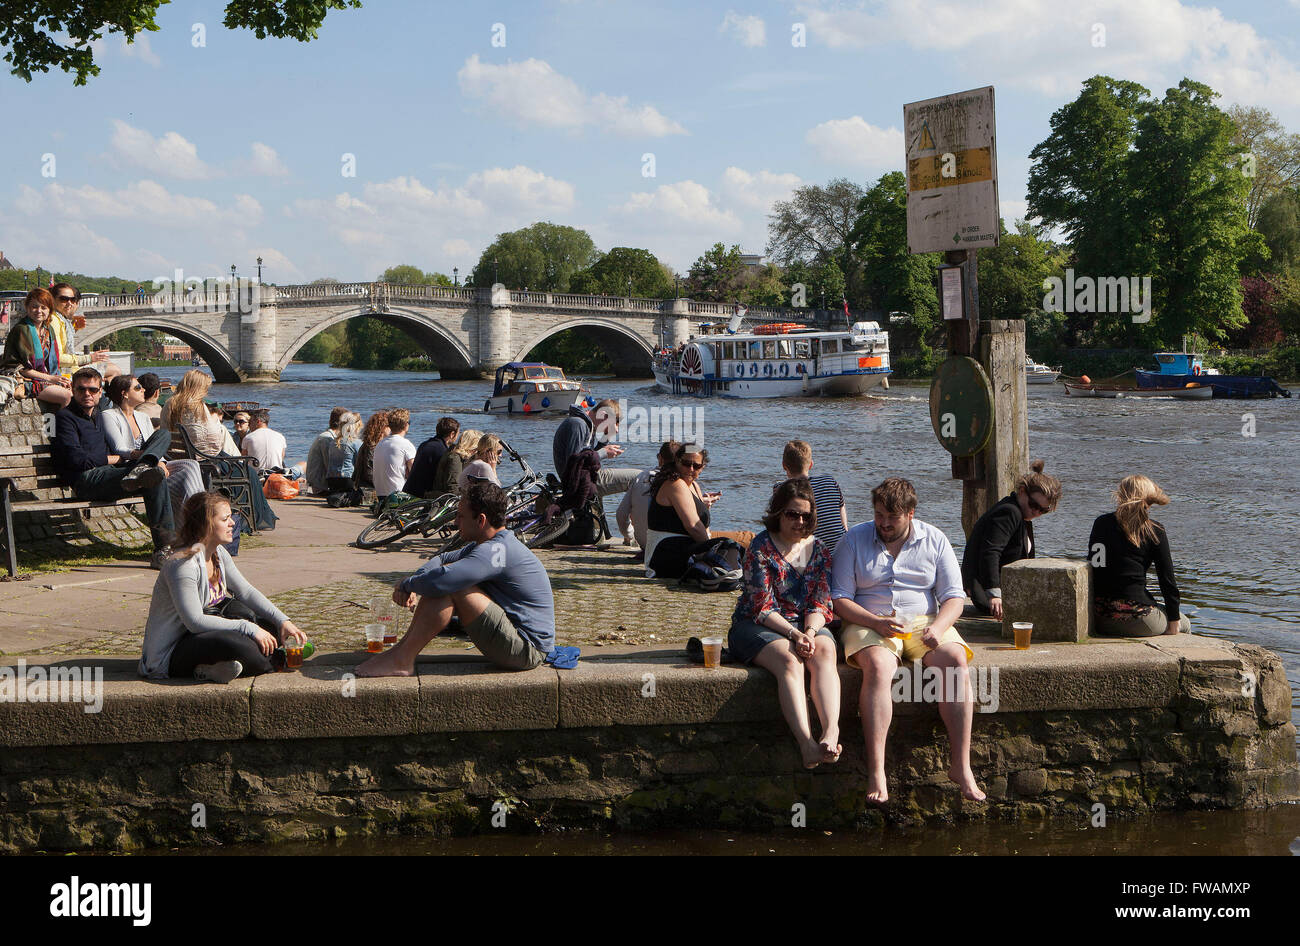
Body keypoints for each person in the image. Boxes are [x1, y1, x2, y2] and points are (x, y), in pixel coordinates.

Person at [831, 477, 984, 803]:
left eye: (892, 517)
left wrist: (939, 628)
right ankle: (877, 772)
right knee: (880, 665)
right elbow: (840, 599)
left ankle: (961, 766)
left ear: (910, 513)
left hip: (924, 622)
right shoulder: (853, 540)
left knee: (955, 662)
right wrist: (875, 622)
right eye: (879, 515)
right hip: (868, 620)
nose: (884, 523)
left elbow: (955, 598)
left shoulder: (936, 540)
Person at [356, 482, 555, 675]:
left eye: (461, 516)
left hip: (527, 650)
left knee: (451, 585)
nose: (455, 522)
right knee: (446, 578)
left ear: (481, 520)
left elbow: (443, 580)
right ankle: (400, 654)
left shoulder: (496, 551)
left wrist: (407, 584)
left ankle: (402, 659)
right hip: (518, 639)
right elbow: (441, 559)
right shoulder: (490, 544)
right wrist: (416, 584)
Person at [730, 478, 841, 768]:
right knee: (790, 661)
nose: (799, 521)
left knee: (826, 652)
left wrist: (810, 632)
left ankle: (830, 731)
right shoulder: (761, 547)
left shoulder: (820, 550)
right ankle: (806, 744)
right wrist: (794, 634)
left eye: (806, 515)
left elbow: (821, 601)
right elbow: (761, 605)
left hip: (805, 624)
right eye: (792, 514)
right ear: (778, 513)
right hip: (758, 624)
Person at [139, 491, 307, 682]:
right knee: (240, 645)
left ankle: (217, 669)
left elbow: (245, 591)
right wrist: (248, 628)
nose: (233, 523)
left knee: (271, 629)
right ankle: (270, 659)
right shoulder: (183, 566)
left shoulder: (218, 552)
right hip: (173, 651)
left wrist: (283, 621)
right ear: (206, 524)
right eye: (225, 518)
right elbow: (195, 622)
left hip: (203, 633)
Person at [52, 367, 176, 567]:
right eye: (81, 389)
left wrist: (151, 460)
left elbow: (115, 451)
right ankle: (164, 549)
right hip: (85, 480)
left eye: (93, 390)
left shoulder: (100, 416)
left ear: (100, 392)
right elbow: (77, 460)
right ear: (73, 391)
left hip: (110, 475)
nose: (87, 394)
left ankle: (165, 548)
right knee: (151, 474)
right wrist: (112, 459)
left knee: (163, 437)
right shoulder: (65, 418)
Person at [1089, 475, 1189, 637]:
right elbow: (1167, 580)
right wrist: (1174, 619)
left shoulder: (1101, 523)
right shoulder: (1154, 530)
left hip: (1101, 618)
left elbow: (1095, 565)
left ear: (1121, 495)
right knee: (1184, 622)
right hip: (1138, 619)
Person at [962, 460, 1062, 618]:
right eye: (1034, 505)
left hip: (1004, 590)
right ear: (1022, 491)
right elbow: (990, 551)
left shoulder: (1022, 515)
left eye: (1044, 510)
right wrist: (994, 594)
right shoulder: (1009, 512)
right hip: (990, 596)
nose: (1036, 513)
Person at [102, 373, 206, 510]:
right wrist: (149, 458)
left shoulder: (143, 417)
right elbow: (119, 448)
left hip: (151, 466)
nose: (143, 390)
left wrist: (160, 462)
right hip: (130, 467)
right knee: (181, 483)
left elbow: (155, 446)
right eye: (138, 387)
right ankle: (197, 516)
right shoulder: (109, 415)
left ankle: (198, 511)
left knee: (191, 465)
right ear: (125, 394)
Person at [0, 288, 98, 408]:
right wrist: (52, 378)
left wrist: (58, 379)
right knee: (66, 396)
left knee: (81, 391)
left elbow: (52, 361)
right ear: (27, 307)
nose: (39, 311)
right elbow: (22, 369)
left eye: (43, 307)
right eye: (34, 307)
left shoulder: (47, 330)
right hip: (24, 379)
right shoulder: (22, 330)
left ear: (49, 310)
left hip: (43, 377)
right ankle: (63, 426)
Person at [644, 442, 719, 579]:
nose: (691, 469)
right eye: (686, 463)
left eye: (696, 466)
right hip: (667, 555)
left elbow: (700, 525)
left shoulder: (694, 486)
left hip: (686, 546)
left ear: (702, 467)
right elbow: (693, 527)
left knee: (742, 542)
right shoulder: (675, 484)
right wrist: (712, 551)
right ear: (677, 461)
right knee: (740, 542)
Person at [552, 398, 641, 500]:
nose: (616, 429)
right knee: (640, 477)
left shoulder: (587, 425)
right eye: (615, 423)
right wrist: (604, 453)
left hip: (584, 478)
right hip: (580, 482)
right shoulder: (578, 424)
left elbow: (587, 456)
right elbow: (574, 463)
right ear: (603, 415)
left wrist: (605, 439)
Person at [780, 440, 848, 555]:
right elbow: (843, 517)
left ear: (784, 466)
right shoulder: (829, 481)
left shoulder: (782, 489)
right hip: (842, 550)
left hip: (813, 556)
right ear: (811, 464)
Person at [616, 440, 679, 559]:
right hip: (668, 545)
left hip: (644, 543)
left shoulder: (641, 477)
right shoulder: (678, 482)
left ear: (660, 458)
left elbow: (621, 514)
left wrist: (630, 535)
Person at [49, 282, 119, 382]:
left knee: (109, 368)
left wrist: (74, 328)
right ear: (53, 300)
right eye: (64, 299)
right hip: (64, 374)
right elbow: (58, 358)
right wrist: (90, 358)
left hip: (70, 369)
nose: (70, 303)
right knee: (115, 370)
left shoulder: (63, 320)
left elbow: (65, 344)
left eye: (73, 300)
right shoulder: (54, 321)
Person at [405, 416, 460, 499]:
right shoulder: (443, 450)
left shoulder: (425, 444)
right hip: (421, 495)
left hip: (409, 490)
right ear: (452, 434)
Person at [372, 408, 416, 501]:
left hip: (380, 495)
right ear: (406, 425)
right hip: (397, 495)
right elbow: (414, 472)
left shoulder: (380, 444)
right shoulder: (406, 444)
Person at [305, 407, 348, 495]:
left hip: (320, 483)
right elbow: (330, 466)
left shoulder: (328, 437)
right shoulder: (327, 439)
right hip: (321, 486)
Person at [325, 411, 363, 496]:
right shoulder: (356, 443)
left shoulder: (332, 443)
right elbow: (361, 463)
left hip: (331, 481)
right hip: (347, 480)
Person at [434, 429, 481, 497]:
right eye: (476, 449)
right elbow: (452, 486)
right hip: (446, 498)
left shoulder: (455, 454)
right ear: (471, 446)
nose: (476, 452)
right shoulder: (455, 459)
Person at [354, 411, 390, 491]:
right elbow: (369, 472)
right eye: (389, 426)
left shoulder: (373, 444)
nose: (391, 429)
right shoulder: (371, 446)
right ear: (382, 427)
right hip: (367, 488)